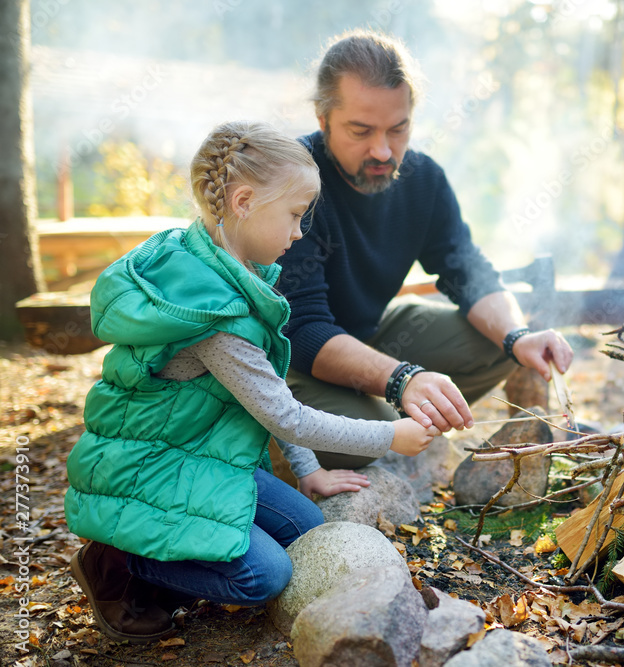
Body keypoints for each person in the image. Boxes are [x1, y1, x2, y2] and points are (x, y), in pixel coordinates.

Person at [64, 120, 439, 643]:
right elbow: (284, 414)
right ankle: (119, 561)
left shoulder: (227, 270)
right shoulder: (212, 313)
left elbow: (269, 390)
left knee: (308, 531)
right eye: (293, 214)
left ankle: (172, 543)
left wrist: (307, 471)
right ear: (242, 201)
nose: (299, 232)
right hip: (149, 469)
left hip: (198, 455)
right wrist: (387, 435)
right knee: (265, 576)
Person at [276, 30, 575, 498]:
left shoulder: (423, 180)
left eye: (398, 128)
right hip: (287, 359)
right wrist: (402, 379)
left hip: (366, 334)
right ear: (323, 118)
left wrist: (519, 336)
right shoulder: (294, 181)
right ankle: (294, 437)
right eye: (361, 131)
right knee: (366, 435)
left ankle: (376, 421)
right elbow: (305, 330)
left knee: (499, 345)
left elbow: (464, 269)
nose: (383, 150)